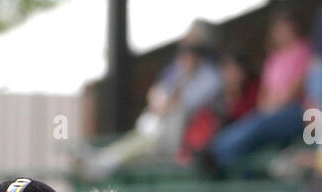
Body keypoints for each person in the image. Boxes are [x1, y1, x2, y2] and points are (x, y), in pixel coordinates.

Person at [83, 21, 222, 177]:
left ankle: (104, 160)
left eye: (192, 44)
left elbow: (186, 104)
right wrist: (160, 101)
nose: (186, 46)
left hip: (184, 138)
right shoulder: (178, 67)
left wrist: (170, 101)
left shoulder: (210, 75)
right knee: (143, 138)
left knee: (147, 139)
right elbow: (157, 91)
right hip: (160, 129)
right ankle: (104, 160)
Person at [208, 6, 312, 173]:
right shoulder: (274, 57)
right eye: (278, 28)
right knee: (249, 122)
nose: (281, 32)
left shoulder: (305, 50)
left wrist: (273, 107)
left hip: (296, 112)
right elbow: (264, 93)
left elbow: (295, 88)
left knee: (258, 126)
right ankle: (214, 152)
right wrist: (267, 107)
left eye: (285, 27)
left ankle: (216, 156)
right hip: (270, 111)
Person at [178, 52, 260, 170]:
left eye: (236, 70)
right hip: (219, 144)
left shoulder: (254, 90)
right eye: (228, 70)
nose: (232, 75)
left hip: (245, 141)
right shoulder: (217, 98)